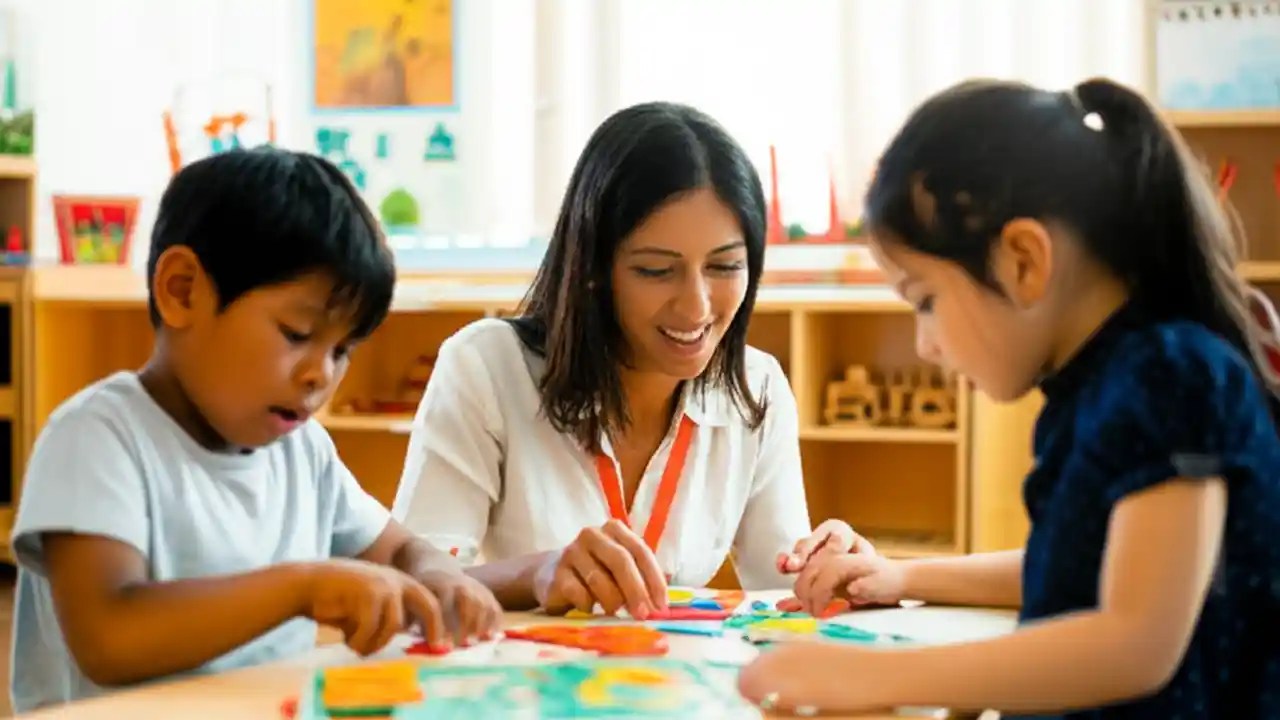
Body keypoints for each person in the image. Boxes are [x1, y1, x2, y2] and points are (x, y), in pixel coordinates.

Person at [738, 77, 1280, 718]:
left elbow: (1135, 643)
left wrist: (877, 678)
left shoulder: (1169, 375)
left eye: (926, 301)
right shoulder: (1102, 383)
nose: (925, 345)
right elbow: (1080, 568)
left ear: (1023, 259)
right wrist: (904, 575)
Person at [8, 148, 502, 713]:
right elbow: (108, 639)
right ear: (182, 291)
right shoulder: (96, 438)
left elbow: (400, 548)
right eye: (297, 334)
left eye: (342, 350)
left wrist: (438, 574)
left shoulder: (302, 451)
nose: (321, 374)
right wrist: (301, 587)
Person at [392, 101, 870, 618]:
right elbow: (415, 588)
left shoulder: (758, 388)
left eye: (725, 266)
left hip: (676, 669)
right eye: (656, 271)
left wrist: (833, 573)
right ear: (593, 268)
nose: (696, 307)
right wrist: (537, 574)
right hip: (525, 667)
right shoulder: (486, 368)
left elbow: (783, 591)